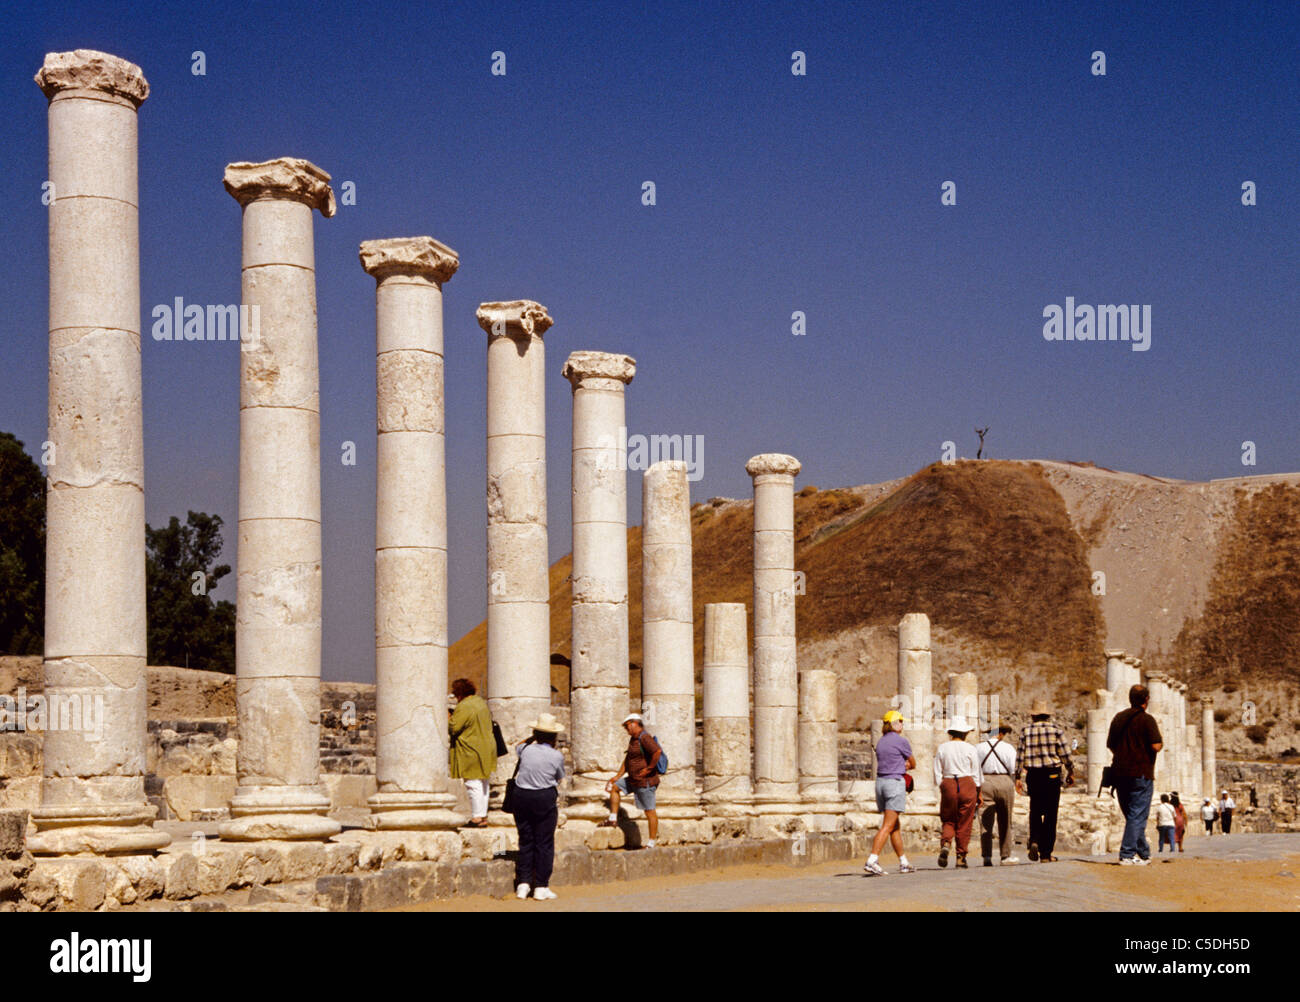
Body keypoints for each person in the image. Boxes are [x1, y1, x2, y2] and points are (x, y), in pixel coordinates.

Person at [1106, 684, 1163, 865]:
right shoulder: (1147, 720)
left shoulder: (1118, 718)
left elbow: (1111, 744)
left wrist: (1125, 753)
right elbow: (1156, 745)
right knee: (1137, 815)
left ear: (1130, 699)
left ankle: (1144, 852)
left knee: (1132, 815)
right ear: (1146, 700)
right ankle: (1127, 854)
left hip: (1119, 773)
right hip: (1141, 773)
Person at [512, 713, 566, 901]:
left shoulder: (525, 749)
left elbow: (518, 744)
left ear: (535, 733)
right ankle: (541, 886)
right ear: (553, 737)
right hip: (544, 798)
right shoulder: (557, 755)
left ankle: (523, 884)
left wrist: (532, 737)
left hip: (521, 797)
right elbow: (559, 777)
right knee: (544, 842)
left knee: (525, 839)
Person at [1015, 699, 1074, 862]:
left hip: (1034, 774)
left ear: (1033, 716)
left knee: (1035, 809)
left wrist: (1018, 776)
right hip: (1052, 774)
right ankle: (1046, 853)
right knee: (1050, 813)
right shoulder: (1056, 730)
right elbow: (1065, 755)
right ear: (1047, 715)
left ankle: (1034, 840)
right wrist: (1070, 770)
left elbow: (1020, 755)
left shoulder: (1025, 731)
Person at [864, 709, 916, 875]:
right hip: (894, 783)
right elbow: (913, 763)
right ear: (894, 724)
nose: (902, 724)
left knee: (894, 826)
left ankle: (904, 862)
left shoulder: (881, 742)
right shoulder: (901, 741)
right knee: (887, 826)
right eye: (900, 721)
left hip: (880, 783)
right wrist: (905, 766)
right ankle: (872, 859)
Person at [600, 713, 663, 848]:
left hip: (645, 782)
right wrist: (617, 777)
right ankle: (613, 819)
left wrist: (649, 769)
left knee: (649, 811)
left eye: (627, 726)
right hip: (633, 780)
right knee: (615, 787)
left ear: (635, 723)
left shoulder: (645, 737)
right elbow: (628, 760)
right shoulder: (633, 740)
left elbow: (657, 752)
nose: (626, 729)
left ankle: (651, 842)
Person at [934, 718, 982, 869]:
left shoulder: (942, 748)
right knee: (965, 821)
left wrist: (942, 784)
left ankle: (946, 842)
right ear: (965, 733)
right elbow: (976, 774)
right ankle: (961, 857)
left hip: (948, 782)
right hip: (966, 783)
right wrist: (978, 792)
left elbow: (937, 771)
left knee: (948, 819)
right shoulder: (970, 749)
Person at [448, 678, 497, 826]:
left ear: (459, 693)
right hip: (486, 747)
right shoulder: (480, 703)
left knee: (472, 782)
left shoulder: (465, 706)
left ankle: (476, 817)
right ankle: (482, 815)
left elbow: (454, 728)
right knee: (483, 782)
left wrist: (449, 716)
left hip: (471, 748)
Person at [975, 723, 1019, 866]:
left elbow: (975, 768)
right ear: (1000, 733)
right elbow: (1014, 769)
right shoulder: (1008, 748)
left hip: (985, 781)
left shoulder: (978, 748)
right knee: (1006, 819)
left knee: (985, 821)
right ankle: (1005, 855)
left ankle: (987, 856)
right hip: (1004, 780)